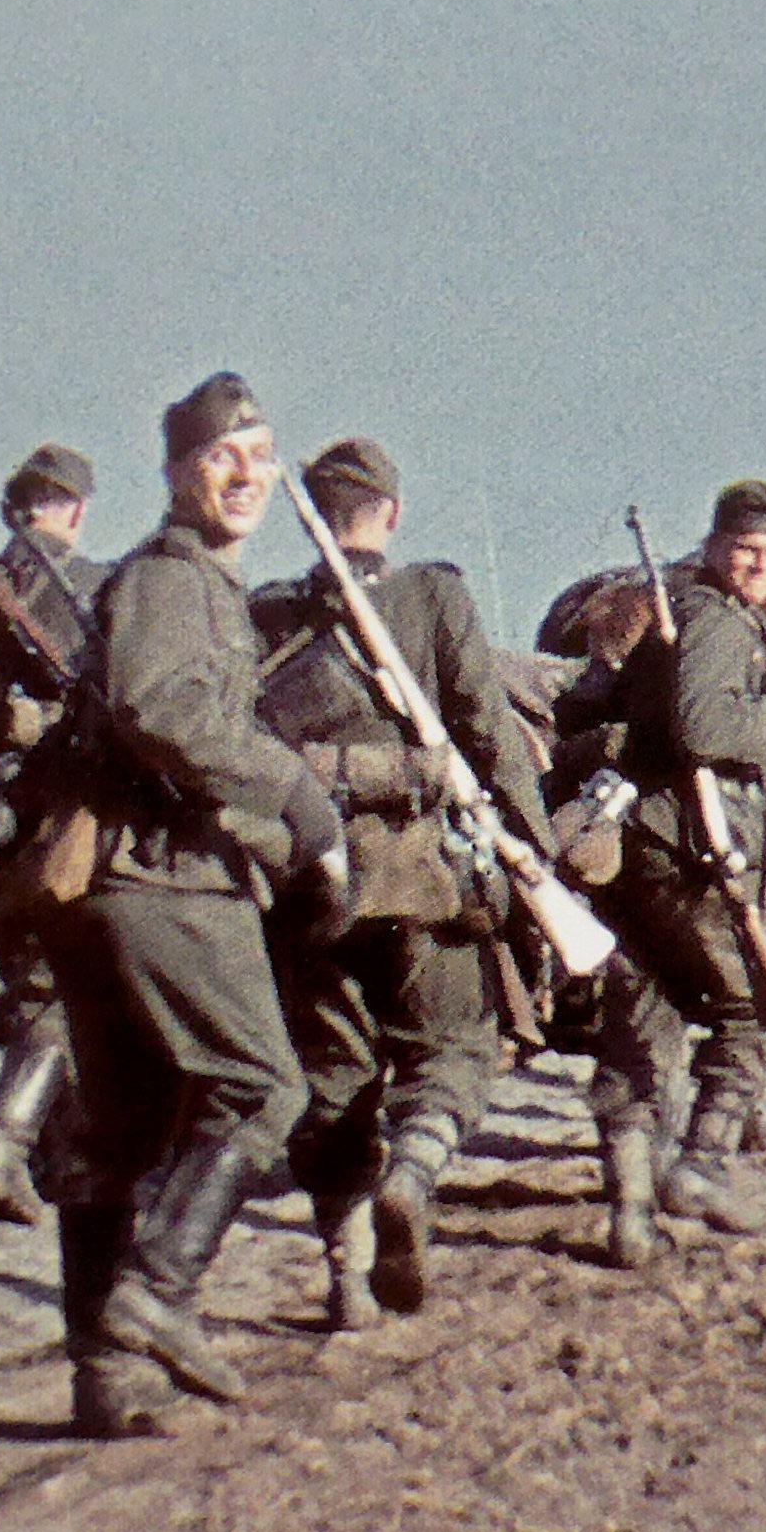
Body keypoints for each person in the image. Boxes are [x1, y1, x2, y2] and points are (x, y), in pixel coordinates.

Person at [40, 375, 344, 1436]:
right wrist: (297, 793)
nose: (247, 474)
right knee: (263, 1088)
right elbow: (166, 710)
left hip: (119, 882)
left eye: (261, 454)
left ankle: (104, 1376)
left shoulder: (201, 580)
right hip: (162, 877)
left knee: (118, 1126)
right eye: (223, 455)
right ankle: (158, 1291)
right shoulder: (171, 579)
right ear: (176, 472)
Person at [252, 434, 552, 1325]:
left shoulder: (266, 613)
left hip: (306, 882)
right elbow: (487, 730)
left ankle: (346, 1279)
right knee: (453, 1050)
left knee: (333, 1078)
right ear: (391, 511)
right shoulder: (434, 594)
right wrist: (531, 848)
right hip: (423, 877)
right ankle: (412, 1178)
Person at [593, 480, 766, 1262]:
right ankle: (701, 1167)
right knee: (759, 1011)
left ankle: (629, 1212)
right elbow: (706, 728)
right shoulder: (719, 622)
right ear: (717, 545)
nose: (759, 565)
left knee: (642, 1021)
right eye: (747, 550)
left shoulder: (685, 613)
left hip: (637, 844)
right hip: (693, 846)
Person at [0, 443, 106, 1222]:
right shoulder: (94, 584)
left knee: (25, 979)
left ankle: (41, 1152)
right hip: (62, 819)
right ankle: (7, 1145)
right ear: (74, 508)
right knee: (63, 988)